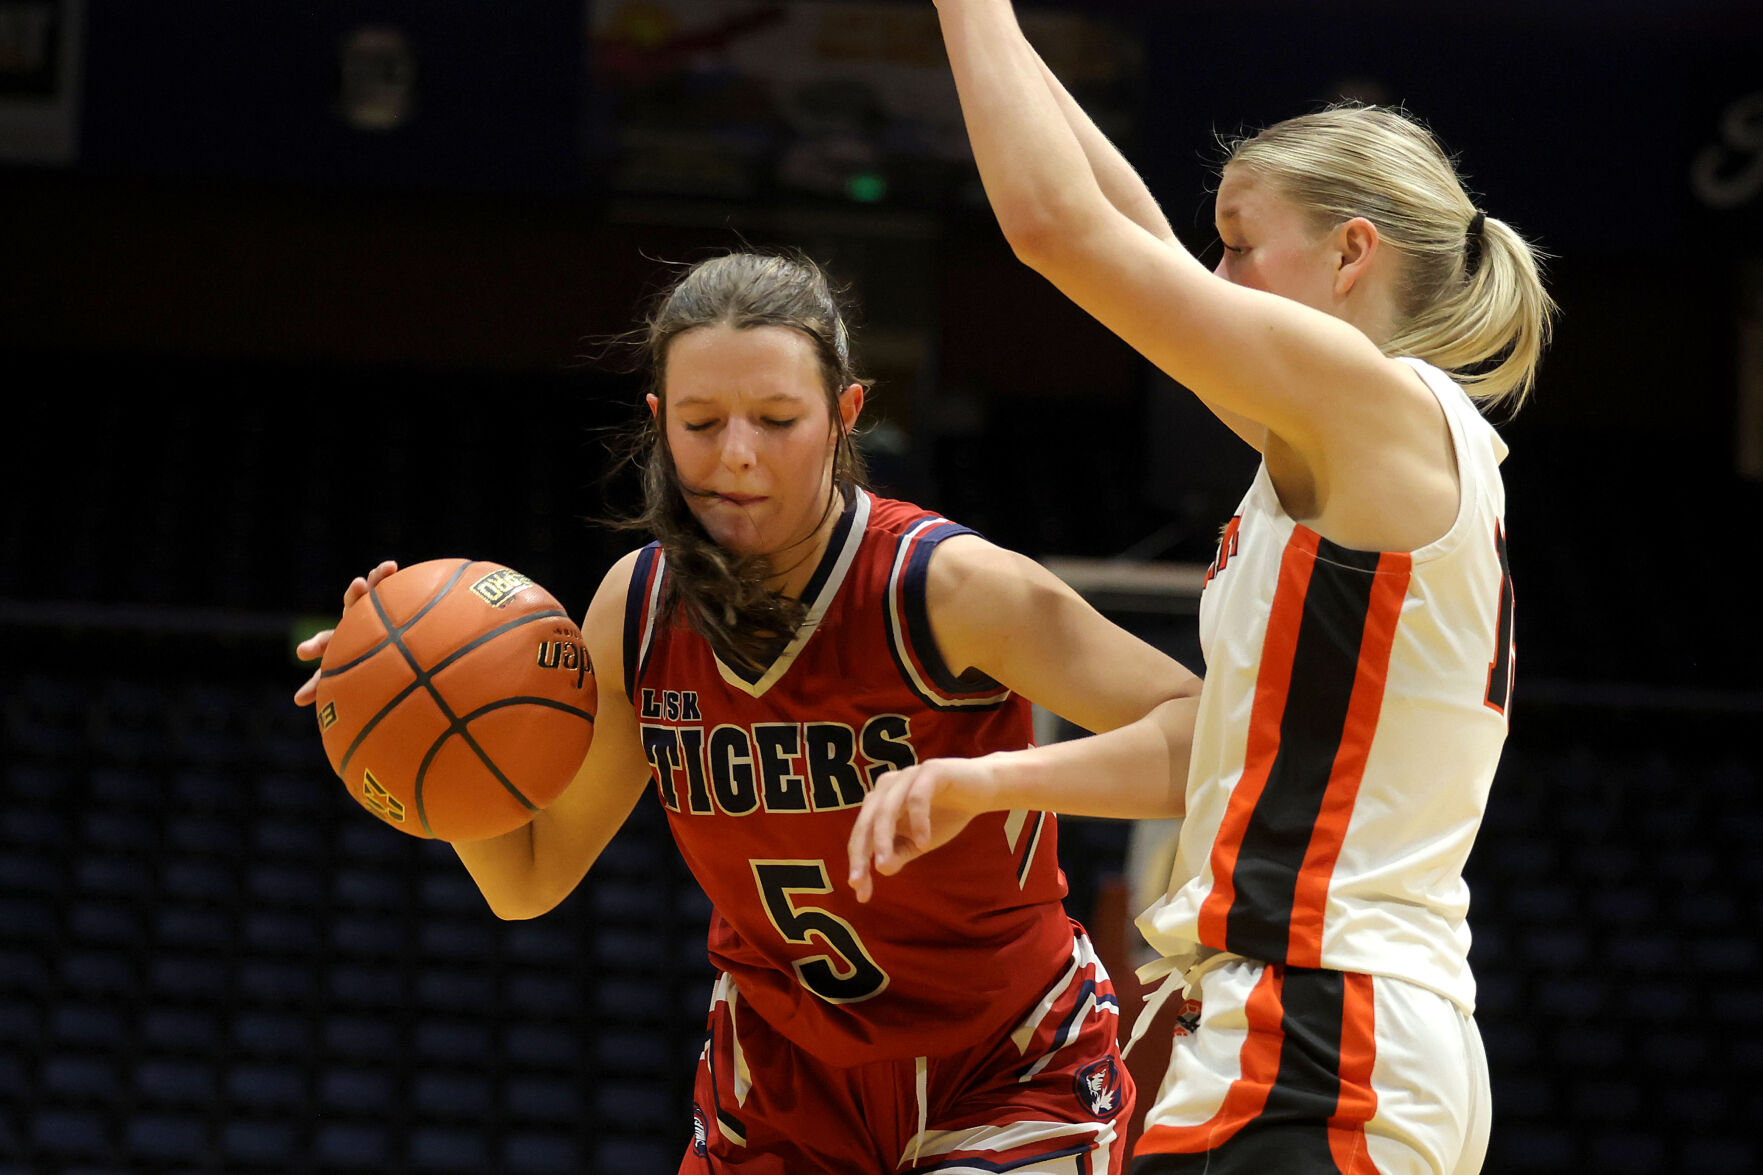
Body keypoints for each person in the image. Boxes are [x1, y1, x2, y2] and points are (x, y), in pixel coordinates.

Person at [294, 249, 1204, 1174]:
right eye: (700, 423)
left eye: (777, 420)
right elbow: (527, 880)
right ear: (658, 422)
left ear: (846, 414)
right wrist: (432, 724)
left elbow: (1205, 730)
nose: (736, 455)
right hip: (780, 1082)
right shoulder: (638, 609)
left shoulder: (943, 587)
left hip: (1005, 1061)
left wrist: (992, 780)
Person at [847, 4, 1556, 1174]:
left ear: (1350, 252)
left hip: (1332, 1029)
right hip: (1296, 1024)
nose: (1210, 273)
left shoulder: (1371, 405)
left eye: (1237, 241)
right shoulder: (1341, 447)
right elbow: (1127, 237)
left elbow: (1058, 234)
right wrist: (986, 781)